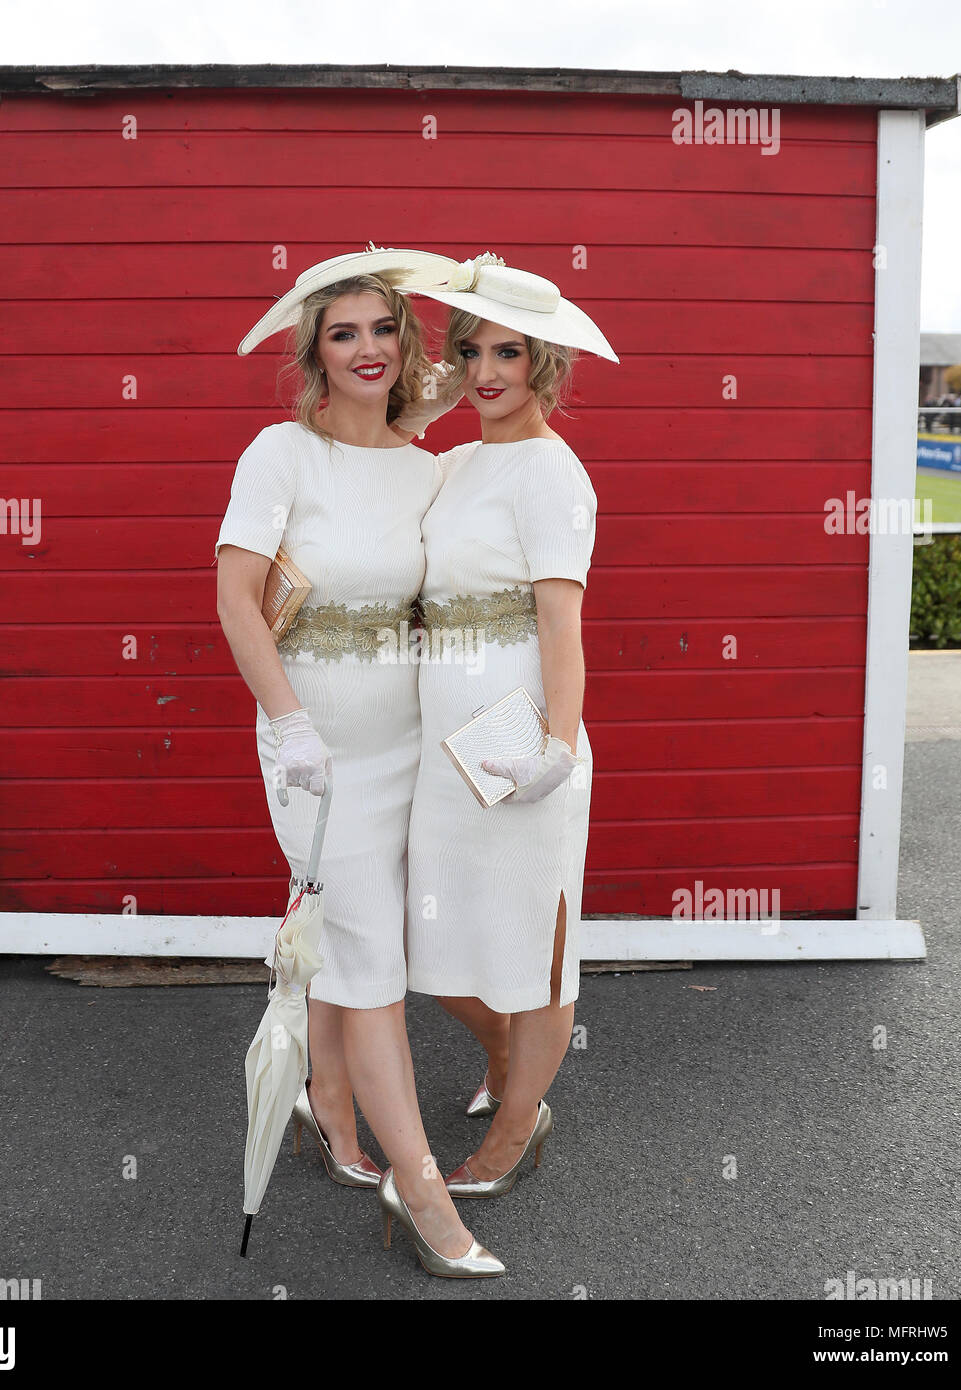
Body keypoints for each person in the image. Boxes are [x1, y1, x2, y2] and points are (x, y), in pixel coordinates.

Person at [215, 247, 504, 1279]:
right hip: (314, 754)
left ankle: (325, 1104)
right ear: (314, 350)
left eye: (384, 328)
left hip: (406, 743)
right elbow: (235, 600)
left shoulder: (426, 467)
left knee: (355, 934)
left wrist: (465, 305)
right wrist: (288, 721)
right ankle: (418, 1186)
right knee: (372, 953)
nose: (368, 348)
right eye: (343, 333)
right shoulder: (277, 456)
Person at [392, 252, 619, 1200]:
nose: (487, 372)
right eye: (471, 351)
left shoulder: (554, 476)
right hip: (442, 737)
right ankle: (504, 1057)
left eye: (510, 354)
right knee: (426, 938)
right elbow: (376, 440)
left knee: (537, 939)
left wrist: (556, 750)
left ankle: (518, 1125)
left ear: (545, 367)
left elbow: (564, 628)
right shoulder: (451, 462)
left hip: (522, 738)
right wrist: (430, 399)